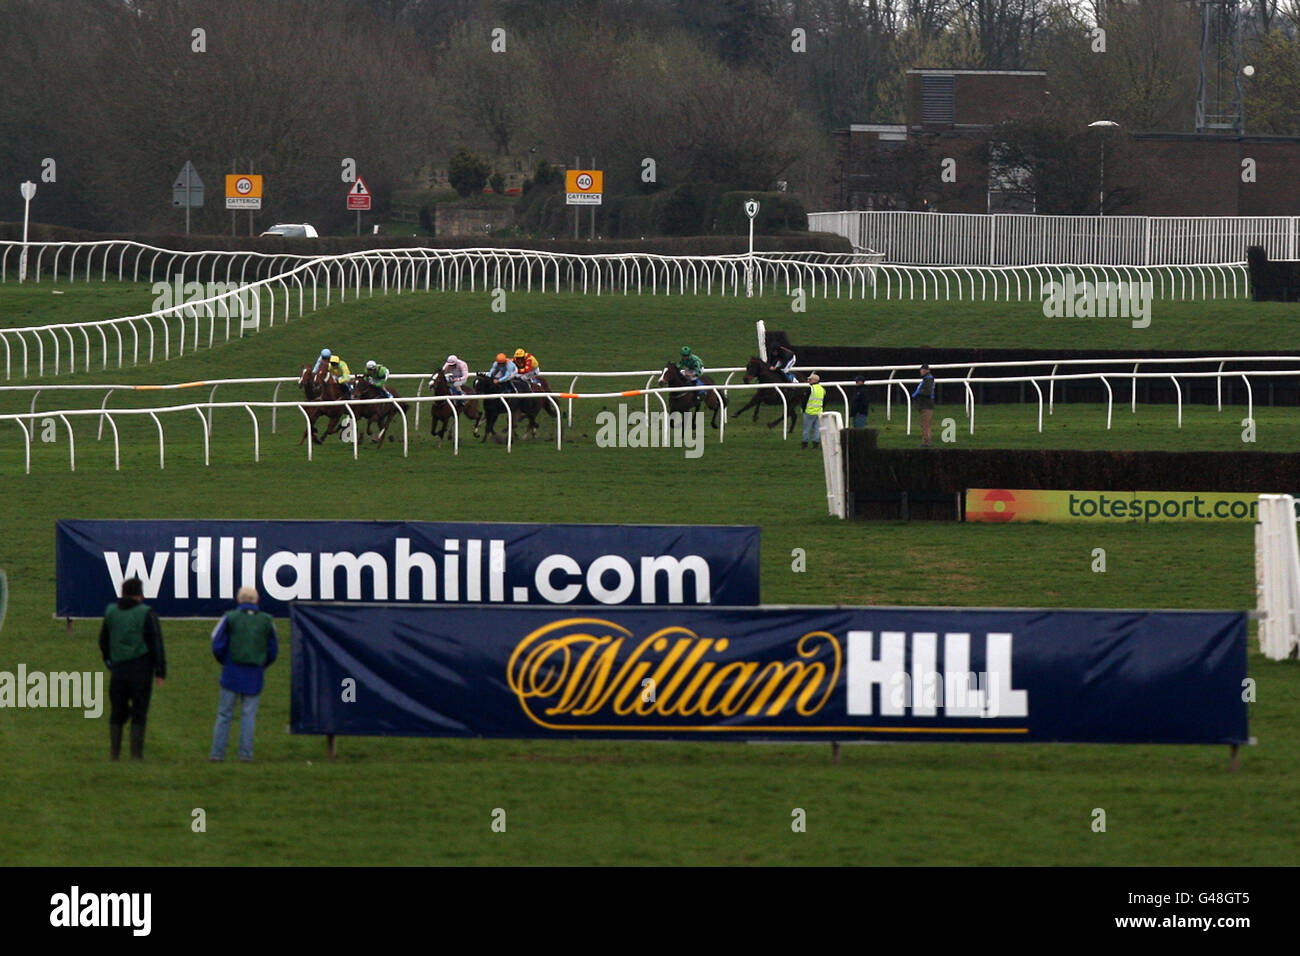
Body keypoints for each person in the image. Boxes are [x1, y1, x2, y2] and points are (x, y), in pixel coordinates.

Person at [98, 576, 166, 761]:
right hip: (141, 669)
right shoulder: (146, 613)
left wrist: (109, 661)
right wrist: (160, 671)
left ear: (122, 592)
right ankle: (136, 754)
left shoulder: (111, 612)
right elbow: (156, 643)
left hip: (118, 669)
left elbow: (103, 640)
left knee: (117, 711)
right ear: (141, 595)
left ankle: (115, 753)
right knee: (139, 710)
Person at [208, 586, 278, 763]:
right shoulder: (267, 620)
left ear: (239, 599)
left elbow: (216, 642)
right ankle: (245, 754)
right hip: (254, 674)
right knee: (248, 716)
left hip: (231, 672)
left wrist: (225, 661)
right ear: (257, 600)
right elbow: (273, 649)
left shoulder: (230, 618)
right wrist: (262, 663)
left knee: (224, 715)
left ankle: (217, 753)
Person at [912, 364, 937, 447]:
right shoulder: (927, 379)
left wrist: (918, 394)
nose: (920, 371)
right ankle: (927, 441)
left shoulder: (928, 379)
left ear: (927, 370)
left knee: (924, 424)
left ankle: (926, 442)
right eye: (920, 370)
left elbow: (928, 392)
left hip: (926, 405)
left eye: (922, 370)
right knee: (925, 424)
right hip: (926, 405)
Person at [802, 373, 826, 449]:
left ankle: (805, 444)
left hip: (809, 412)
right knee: (817, 429)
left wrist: (803, 409)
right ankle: (815, 444)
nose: (808, 381)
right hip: (819, 412)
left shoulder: (810, 388)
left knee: (807, 429)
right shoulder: (822, 389)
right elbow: (825, 401)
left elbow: (804, 400)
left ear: (814, 380)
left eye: (810, 379)